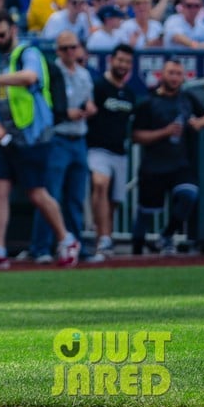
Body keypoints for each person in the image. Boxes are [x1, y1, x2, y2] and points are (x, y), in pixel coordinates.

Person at [0, 12, 80, 269]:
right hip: (5, 136)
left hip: (33, 135)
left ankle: (66, 239)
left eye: (1, 34)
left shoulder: (28, 53)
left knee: (36, 192)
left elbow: (29, 77)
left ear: (13, 30)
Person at [130, 59, 204, 255]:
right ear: (162, 74)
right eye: (171, 73)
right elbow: (136, 136)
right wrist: (165, 132)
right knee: (146, 212)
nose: (175, 78)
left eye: (178, 73)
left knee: (189, 195)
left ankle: (166, 236)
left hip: (180, 164)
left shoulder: (187, 99)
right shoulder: (148, 102)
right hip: (153, 166)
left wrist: (200, 123)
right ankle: (135, 251)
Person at [27, 32, 95, 263]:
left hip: (79, 138)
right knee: (50, 194)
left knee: (76, 197)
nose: (69, 52)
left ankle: (76, 246)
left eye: (73, 47)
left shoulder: (84, 74)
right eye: (64, 48)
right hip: (57, 137)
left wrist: (89, 108)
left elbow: (89, 100)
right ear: (57, 51)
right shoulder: (50, 72)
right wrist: (66, 113)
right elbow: (46, 104)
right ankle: (41, 247)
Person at [85, 44, 140, 261]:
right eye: (120, 60)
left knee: (114, 200)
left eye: (127, 62)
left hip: (119, 152)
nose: (123, 65)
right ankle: (103, 238)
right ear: (111, 60)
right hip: (97, 148)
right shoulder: (99, 86)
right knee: (100, 184)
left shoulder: (130, 94)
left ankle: (104, 239)